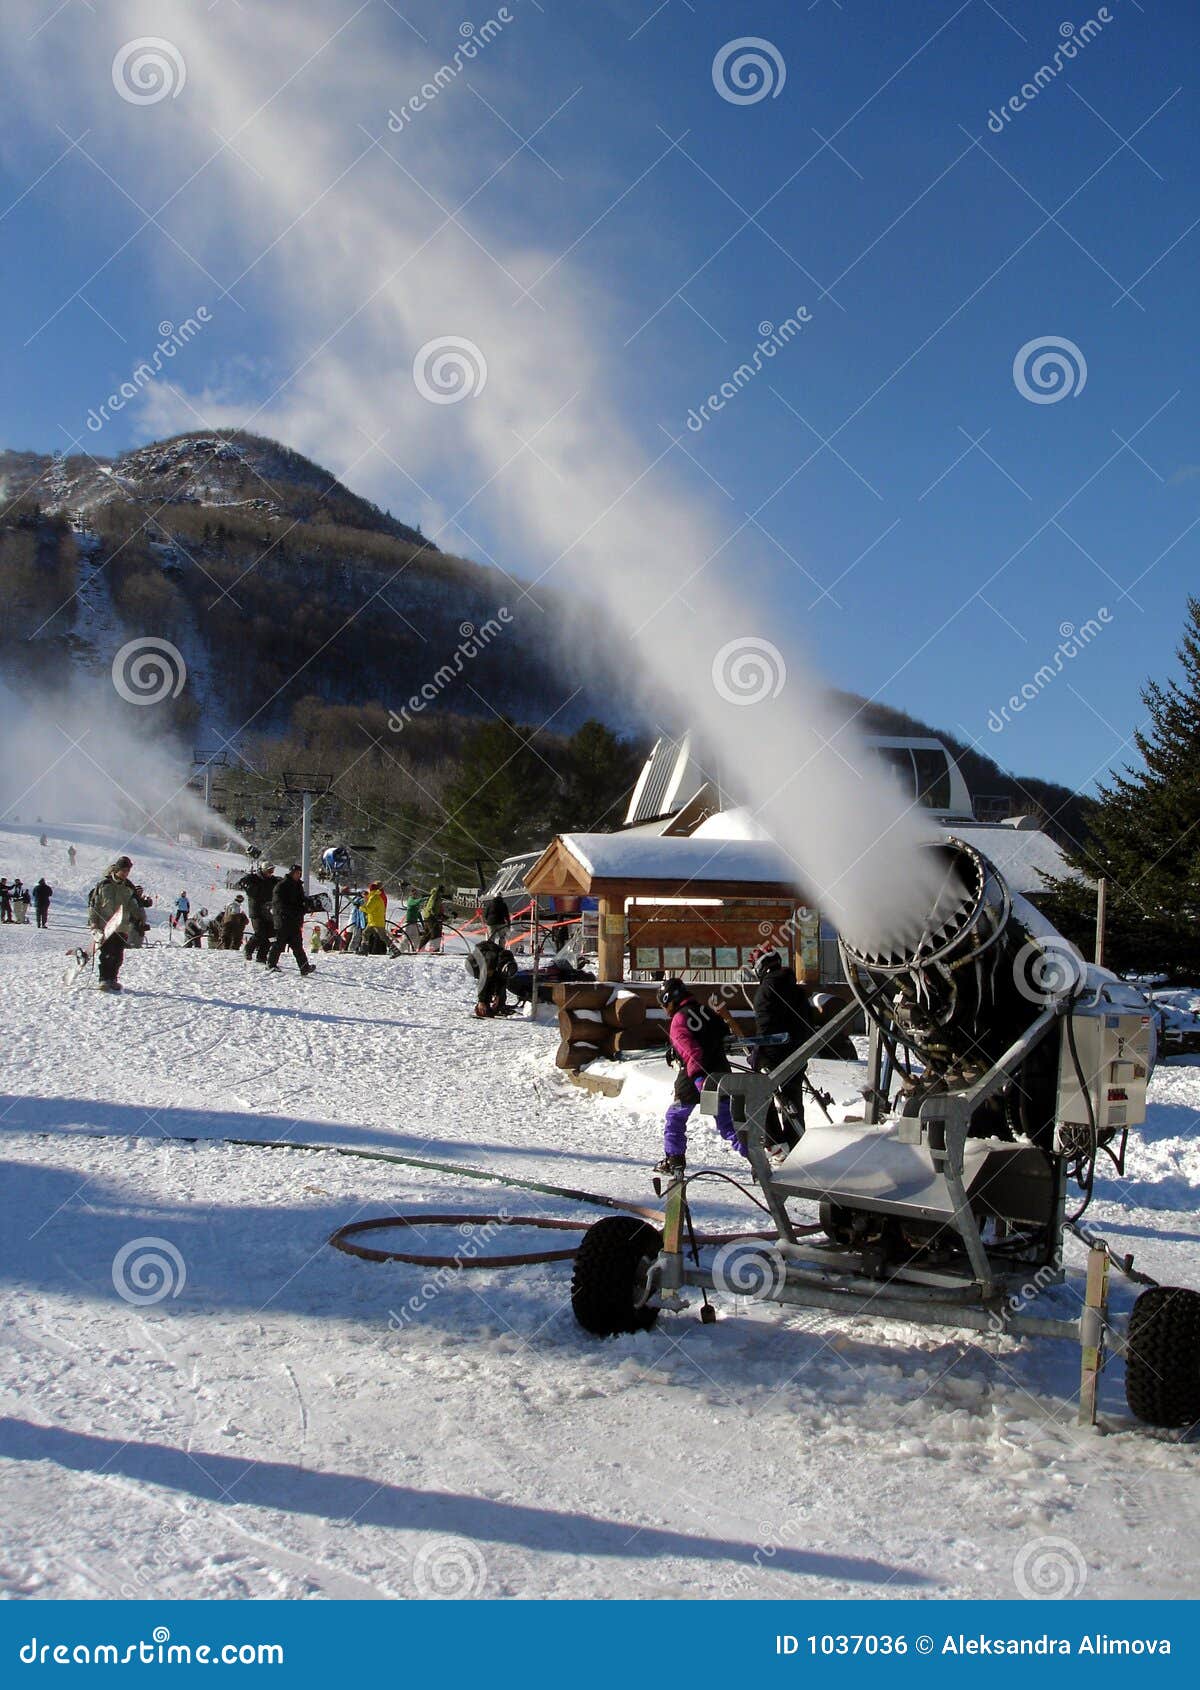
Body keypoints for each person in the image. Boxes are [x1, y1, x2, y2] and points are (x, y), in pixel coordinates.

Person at [656, 978, 745, 1176]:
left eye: (664, 1004)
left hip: (693, 1080)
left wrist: (698, 1080)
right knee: (728, 1124)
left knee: (675, 1118)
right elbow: (722, 1034)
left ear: (670, 1000)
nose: (664, 1010)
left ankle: (675, 1161)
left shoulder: (679, 1019)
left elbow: (692, 1052)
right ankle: (756, 1159)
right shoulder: (706, 1012)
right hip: (720, 1075)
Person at [750, 950, 816, 1152]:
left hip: (774, 1053)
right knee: (793, 1098)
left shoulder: (766, 990)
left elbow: (765, 1028)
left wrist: (758, 1057)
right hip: (797, 1053)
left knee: (759, 1095)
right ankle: (797, 1144)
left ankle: (775, 1142)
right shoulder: (796, 989)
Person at [87, 855, 141, 992]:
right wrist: (93, 923)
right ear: (117, 870)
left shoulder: (129, 887)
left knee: (118, 955)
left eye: (128, 871)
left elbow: (133, 905)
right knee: (107, 953)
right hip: (106, 925)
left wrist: (139, 918)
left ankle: (113, 978)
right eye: (123, 871)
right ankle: (104, 979)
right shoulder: (104, 885)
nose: (125, 874)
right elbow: (94, 905)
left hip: (122, 926)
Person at [267, 865, 314, 975]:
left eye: (300, 873)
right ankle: (271, 964)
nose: (299, 875)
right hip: (283, 920)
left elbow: (301, 900)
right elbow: (279, 904)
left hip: (294, 920)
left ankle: (304, 967)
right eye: (297, 873)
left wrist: (307, 904)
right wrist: (297, 910)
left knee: (297, 945)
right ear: (292, 873)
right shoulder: (282, 886)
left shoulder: (298, 886)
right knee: (278, 944)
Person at [237, 860, 278, 964]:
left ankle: (262, 956)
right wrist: (253, 889)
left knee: (271, 934)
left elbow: (281, 884)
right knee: (260, 932)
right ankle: (248, 949)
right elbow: (243, 883)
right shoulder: (253, 878)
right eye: (269, 871)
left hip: (268, 911)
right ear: (263, 870)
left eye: (272, 871)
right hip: (257, 911)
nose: (271, 874)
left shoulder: (273, 880)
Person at [469, 937, 518, 1017]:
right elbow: (483, 982)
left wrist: (498, 995)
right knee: (490, 982)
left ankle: (499, 1006)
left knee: (499, 981)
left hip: (494, 966)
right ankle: (482, 1007)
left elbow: (503, 980)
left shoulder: (508, 959)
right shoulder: (490, 962)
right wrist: (481, 1001)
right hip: (473, 965)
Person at [421, 883, 446, 952]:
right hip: (430, 917)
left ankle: (420, 948)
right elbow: (430, 907)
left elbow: (437, 908)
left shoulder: (438, 896)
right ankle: (434, 950)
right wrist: (435, 915)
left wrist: (442, 915)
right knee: (435, 934)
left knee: (427, 934)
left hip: (429, 916)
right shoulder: (435, 896)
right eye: (443, 890)